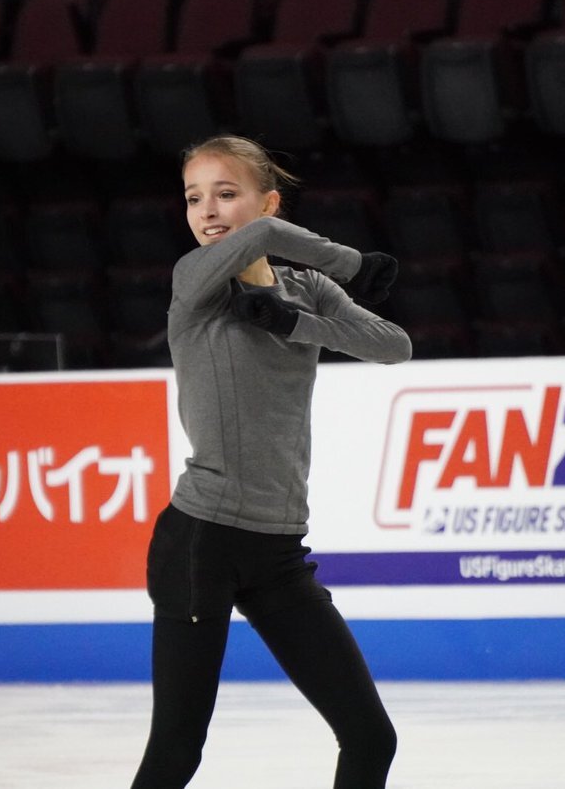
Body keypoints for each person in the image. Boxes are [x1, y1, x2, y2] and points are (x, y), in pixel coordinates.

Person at [132, 135, 410, 789]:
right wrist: (349, 260)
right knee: (177, 751)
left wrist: (292, 323)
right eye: (194, 196)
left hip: (277, 551)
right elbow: (257, 241)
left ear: (269, 201)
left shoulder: (304, 289)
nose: (208, 209)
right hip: (201, 542)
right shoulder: (194, 282)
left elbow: (392, 345)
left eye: (227, 193)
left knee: (371, 738)